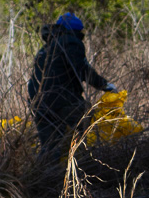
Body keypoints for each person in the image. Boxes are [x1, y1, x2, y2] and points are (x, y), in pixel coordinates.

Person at [27, 12, 118, 159]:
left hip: (37, 102)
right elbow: (81, 68)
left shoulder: (47, 47)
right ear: (76, 31)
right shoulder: (70, 42)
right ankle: (90, 160)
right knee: (89, 121)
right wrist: (104, 85)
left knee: (50, 147)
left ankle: (45, 172)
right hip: (59, 99)